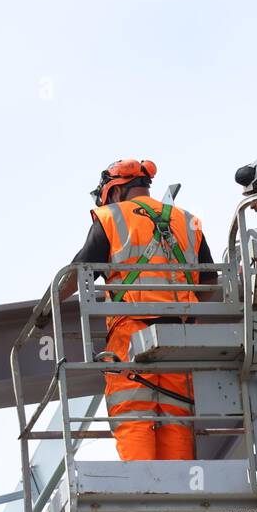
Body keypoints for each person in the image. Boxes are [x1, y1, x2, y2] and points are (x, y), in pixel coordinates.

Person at [62, 158, 216, 461]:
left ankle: (144, 494)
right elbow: (209, 280)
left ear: (115, 191)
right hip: (180, 336)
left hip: (132, 331)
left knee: (134, 412)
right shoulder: (186, 220)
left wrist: (47, 308)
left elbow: (79, 273)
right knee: (177, 414)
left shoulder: (110, 217)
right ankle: (181, 498)